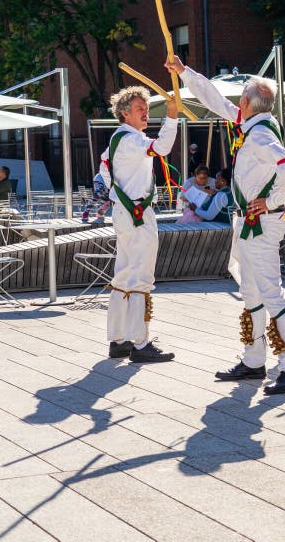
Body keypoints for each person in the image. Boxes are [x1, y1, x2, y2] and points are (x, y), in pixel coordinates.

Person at [165, 55, 285, 395]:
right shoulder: (253, 125)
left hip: (262, 222)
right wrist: (185, 73)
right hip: (251, 221)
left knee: (270, 292)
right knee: (253, 292)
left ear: (247, 103)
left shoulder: (258, 136)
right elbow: (215, 99)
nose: (235, 104)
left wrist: (269, 202)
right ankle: (255, 360)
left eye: (240, 97)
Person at [99, 86, 178, 362]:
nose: (146, 113)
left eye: (146, 109)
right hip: (136, 214)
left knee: (124, 273)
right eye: (139, 110)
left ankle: (118, 340)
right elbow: (162, 148)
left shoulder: (119, 140)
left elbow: (104, 170)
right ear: (124, 113)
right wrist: (172, 117)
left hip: (126, 212)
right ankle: (140, 344)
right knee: (141, 276)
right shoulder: (131, 140)